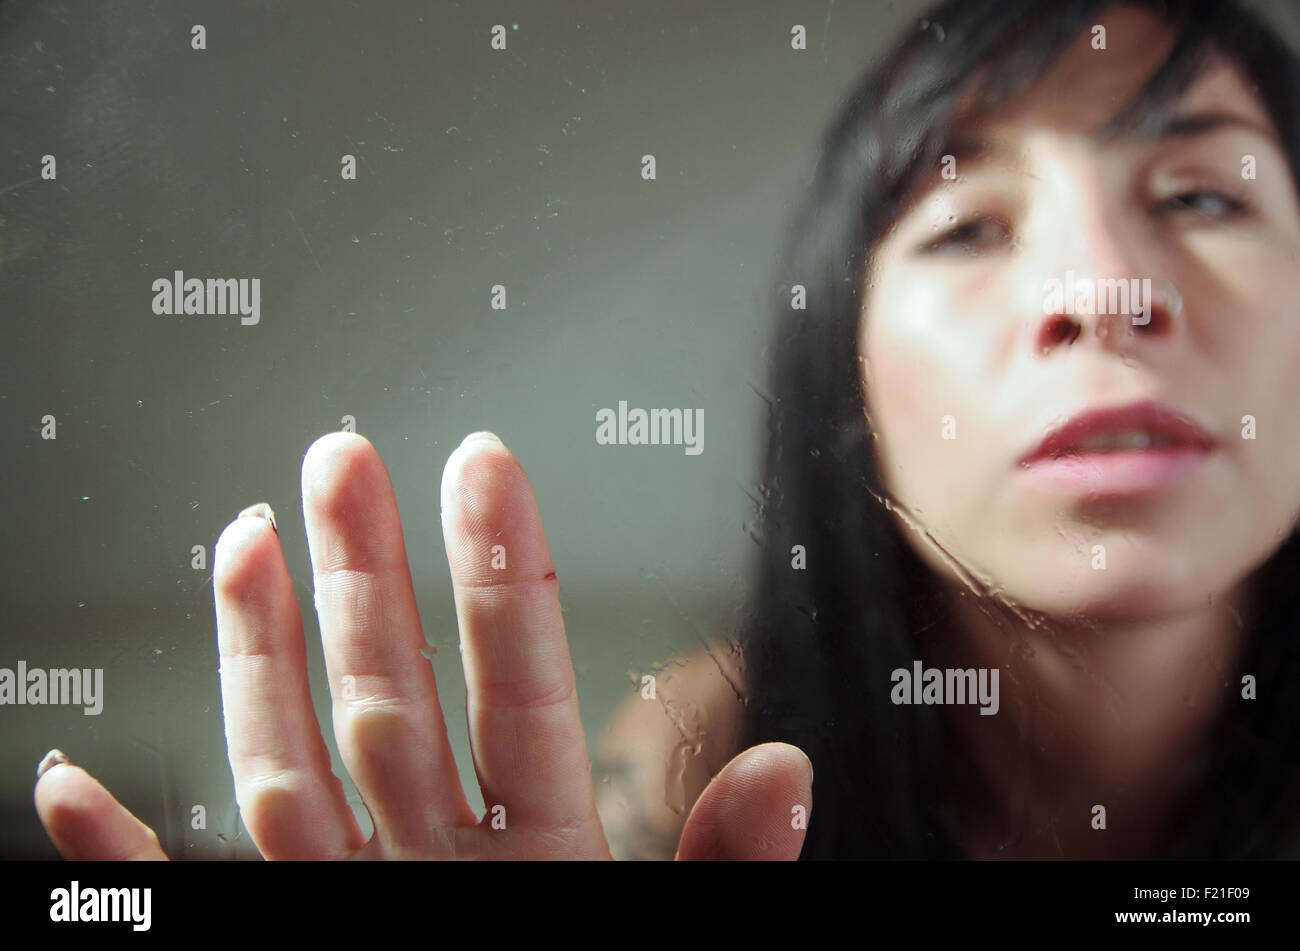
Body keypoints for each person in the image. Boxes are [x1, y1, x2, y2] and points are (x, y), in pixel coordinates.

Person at [33, 0, 1300, 860]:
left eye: (1201, 194)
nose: (1103, 291)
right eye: (966, 225)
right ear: (848, 383)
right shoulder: (704, 748)